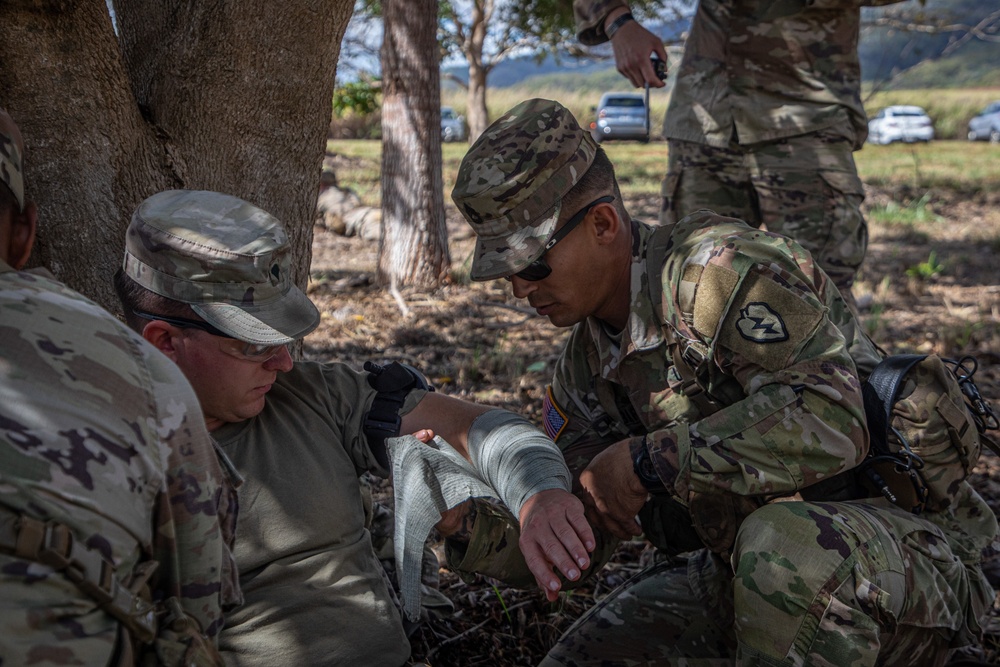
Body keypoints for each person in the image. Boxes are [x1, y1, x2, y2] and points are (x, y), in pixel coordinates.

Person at [450, 97, 997, 666]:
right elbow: (574, 534)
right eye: (505, 271)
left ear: (603, 224)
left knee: (783, 545)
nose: (519, 288)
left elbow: (836, 418)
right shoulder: (585, 368)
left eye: (532, 263)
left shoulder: (720, 274)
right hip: (749, 573)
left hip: (902, 560)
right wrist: (464, 524)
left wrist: (645, 462)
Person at [112, 188, 596, 666]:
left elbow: (481, 429)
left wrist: (539, 492)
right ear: (165, 342)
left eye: (284, 339)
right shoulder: (102, 464)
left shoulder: (311, 397)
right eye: (255, 345)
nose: (284, 362)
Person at [0, 109, 240, 664]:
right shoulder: (144, 372)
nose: (283, 362)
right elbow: (196, 614)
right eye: (250, 343)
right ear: (25, 234)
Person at [573, 0, 907, 311]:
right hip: (706, 123)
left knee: (819, 299)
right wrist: (618, 21)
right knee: (689, 290)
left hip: (806, 120)